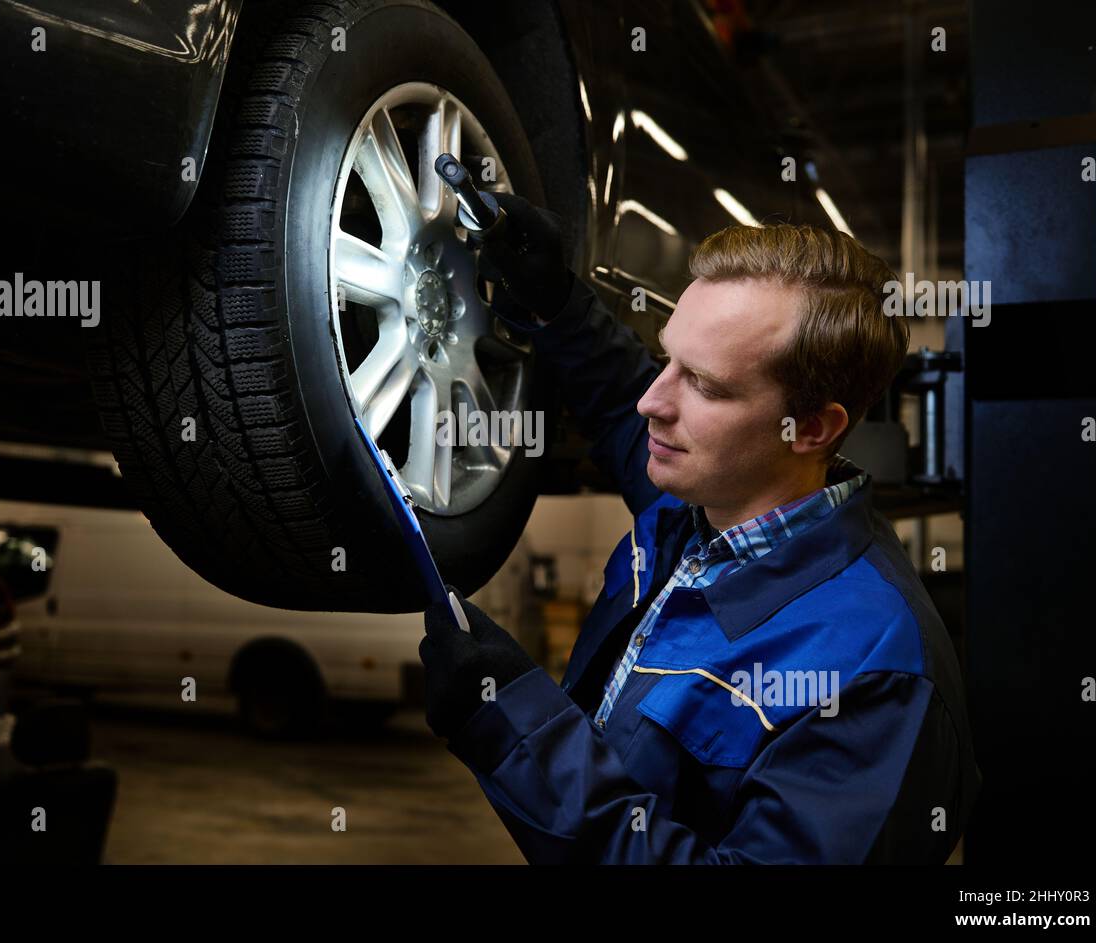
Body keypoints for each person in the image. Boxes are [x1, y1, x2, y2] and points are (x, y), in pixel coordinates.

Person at [419, 194, 981, 864]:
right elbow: (619, 397)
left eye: (707, 387)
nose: (653, 401)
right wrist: (555, 302)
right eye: (667, 360)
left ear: (813, 428)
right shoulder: (701, 504)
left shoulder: (872, 675)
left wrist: (513, 724)